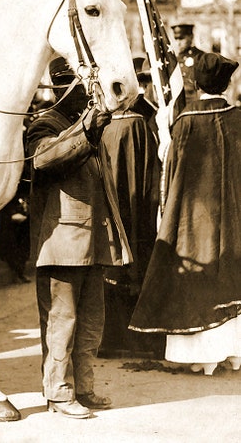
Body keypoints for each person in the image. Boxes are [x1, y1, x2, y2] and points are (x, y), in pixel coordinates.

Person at [26, 57, 131, 419]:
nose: (87, 93)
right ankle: (58, 393)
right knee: (62, 323)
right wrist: (84, 131)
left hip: (90, 243)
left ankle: (82, 388)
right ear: (61, 87)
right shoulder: (44, 124)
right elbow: (43, 159)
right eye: (79, 85)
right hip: (61, 245)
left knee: (90, 324)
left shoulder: (82, 125)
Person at [129, 52, 241, 375]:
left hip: (195, 219)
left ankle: (205, 355)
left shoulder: (186, 121)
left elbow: (172, 173)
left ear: (196, 84)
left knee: (198, 276)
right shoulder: (237, 119)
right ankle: (234, 353)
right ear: (227, 83)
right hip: (234, 215)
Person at [97, 57, 164, 359]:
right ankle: (139, 340)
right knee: (138, 261)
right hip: (140, 213)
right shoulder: (139, 125)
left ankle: (110, 339)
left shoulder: (104, 125)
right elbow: (151, 172)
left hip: (112, 212)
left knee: (112, 268)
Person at [171, 23, 206, 104]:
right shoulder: (173, 59)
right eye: (176, 39)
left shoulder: (200, 57)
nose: (178, 43)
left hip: (195, 101)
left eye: (181, 39)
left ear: (191, 37)